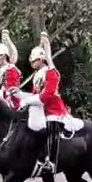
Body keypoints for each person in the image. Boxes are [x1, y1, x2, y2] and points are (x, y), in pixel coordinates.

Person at [22, 32, 71, 174]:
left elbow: (47, 96)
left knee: (50, 128)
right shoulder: (38, 75)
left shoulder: (51, 73)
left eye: (35, 61)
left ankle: (49, 161)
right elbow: (35, 94)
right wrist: (20, 95)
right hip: (40, 109)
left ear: (41, 60)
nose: (32, 63)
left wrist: (27, 101)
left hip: (54, 109)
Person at [0, 30, 22, 109]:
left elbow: (10, 91)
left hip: (10, 102)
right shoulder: (2, 69)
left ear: (4, 56)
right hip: (3, 97)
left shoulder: (10, 69)